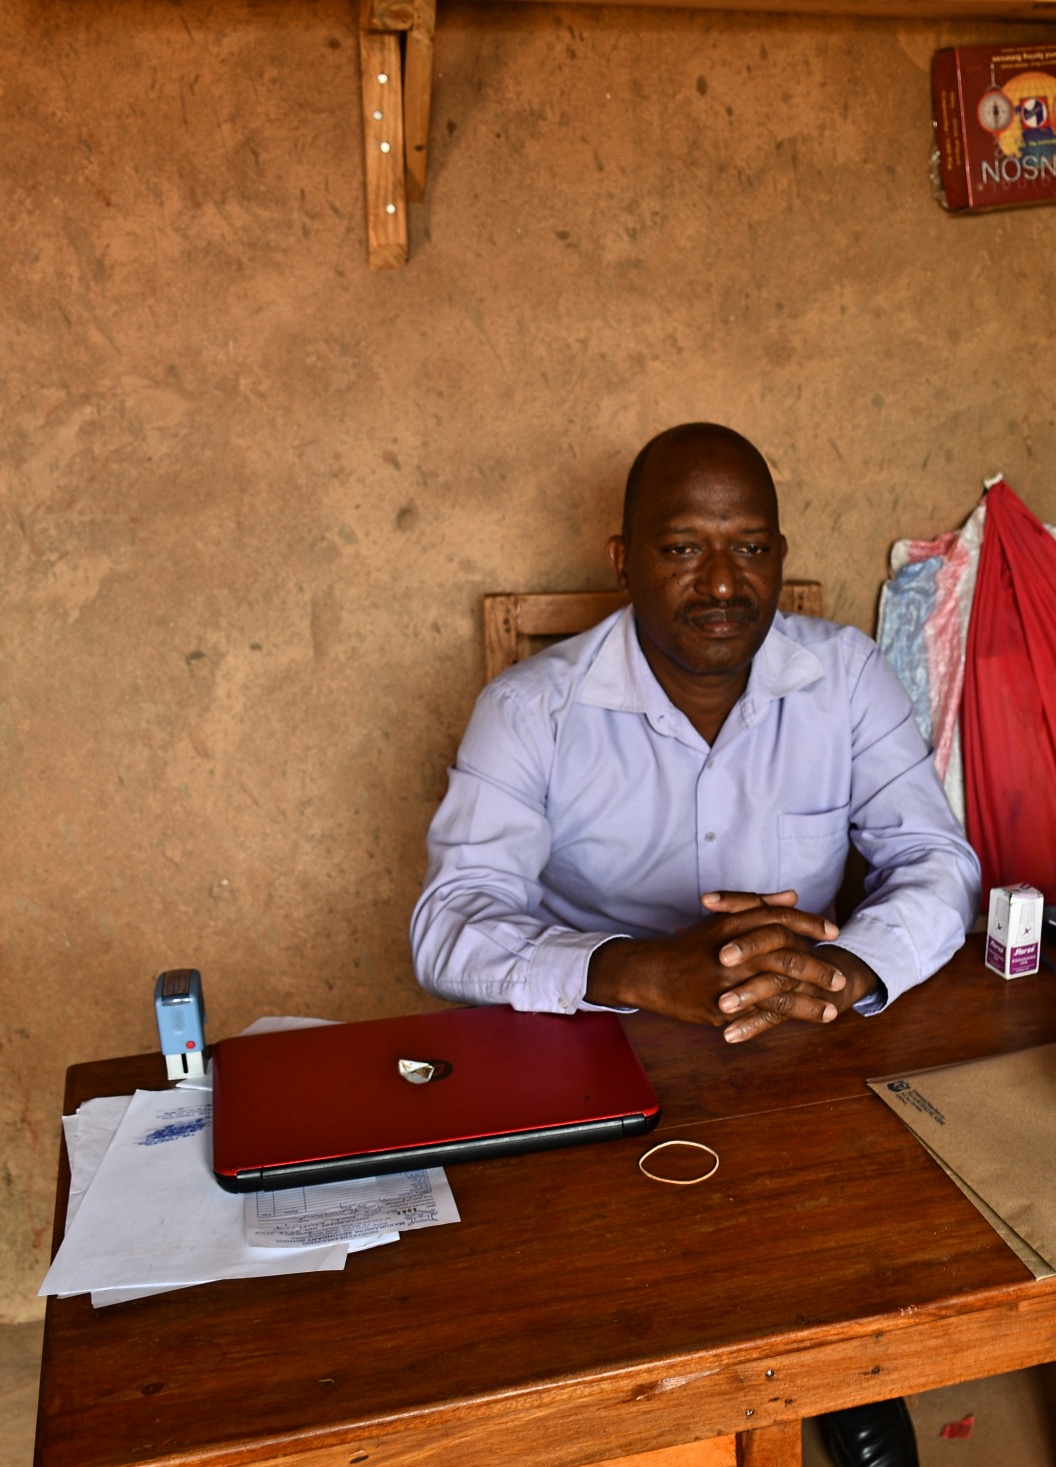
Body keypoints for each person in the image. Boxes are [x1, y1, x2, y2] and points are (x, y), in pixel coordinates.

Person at [410, 423, 979, 1467]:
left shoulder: (845, 678)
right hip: (597, 1069)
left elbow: (938, 863)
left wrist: (845, 967)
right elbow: (448, 923)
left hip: (791, 1055)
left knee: (886, 1249)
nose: (723, 582)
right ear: (625, 560)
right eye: (683, 549)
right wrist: (633, 967)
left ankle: (836, 1384)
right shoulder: (533, 710)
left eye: (750, 547)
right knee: (624, 1355)